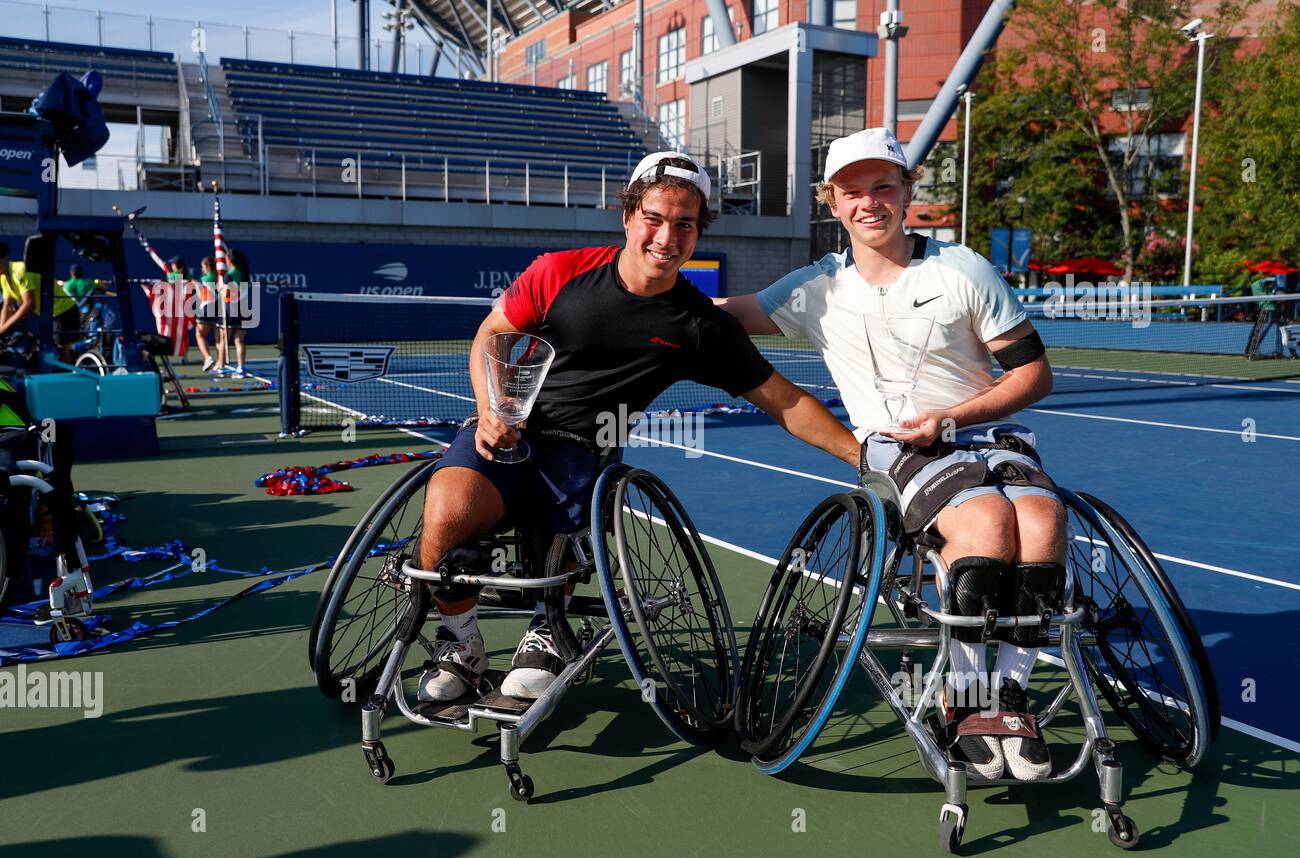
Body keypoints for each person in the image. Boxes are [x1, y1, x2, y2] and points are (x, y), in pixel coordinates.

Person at [416, 151, 860, 704]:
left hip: (589, 447)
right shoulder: (559, 272)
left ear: (698, 232)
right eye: (654, 218)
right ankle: (461, 641)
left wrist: (863, 457)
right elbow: (492, 334)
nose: (666, 237)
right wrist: (490, 407)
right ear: (628, 215)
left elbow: (786, 402)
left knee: (563, 527)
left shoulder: (701, 326)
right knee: (446, 512)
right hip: (506, 432)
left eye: (684, 224)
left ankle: (548, 626)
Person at [716, 128, 1065, 781]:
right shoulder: (814, 290)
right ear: (832, 202)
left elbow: (1033, 376)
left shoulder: (964, 269)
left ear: (907, 193)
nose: (868, 203)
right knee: (986, 522)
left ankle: (1010, 697)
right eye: (853, 191)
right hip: (897, 445)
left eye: (883, 187)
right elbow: (716, 317)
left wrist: (955, 415)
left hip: (985, 432)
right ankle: (963, 701)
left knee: (1043, 523)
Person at [0, 241, 78, 364]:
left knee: (62, 351)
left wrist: (5, 326)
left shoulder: (18, 270)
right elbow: (7, 306)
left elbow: (29, 304)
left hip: (64, 310)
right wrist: (1, 328)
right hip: (48, 314)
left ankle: (72, 381)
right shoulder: (3, 278)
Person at [219, 248, 250, 378]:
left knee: (224, 340)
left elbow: (227, 294)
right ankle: (241, 368)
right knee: (239, 340)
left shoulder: (229, 276)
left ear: (229, 260)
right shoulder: (244, 273)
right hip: (244, 310)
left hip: (231, 310)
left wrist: (221, 290)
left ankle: (221, 367)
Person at [195, 256, 218, 372]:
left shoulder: (204, 279)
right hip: (218, 308)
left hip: (207, 307)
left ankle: (208, 357)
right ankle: (221, 363)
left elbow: (201, 296)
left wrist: (196, 286)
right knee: (218, 337)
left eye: (203, 266)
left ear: (208, 266)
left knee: (200, 335)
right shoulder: (219, 276)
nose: (202, 269)